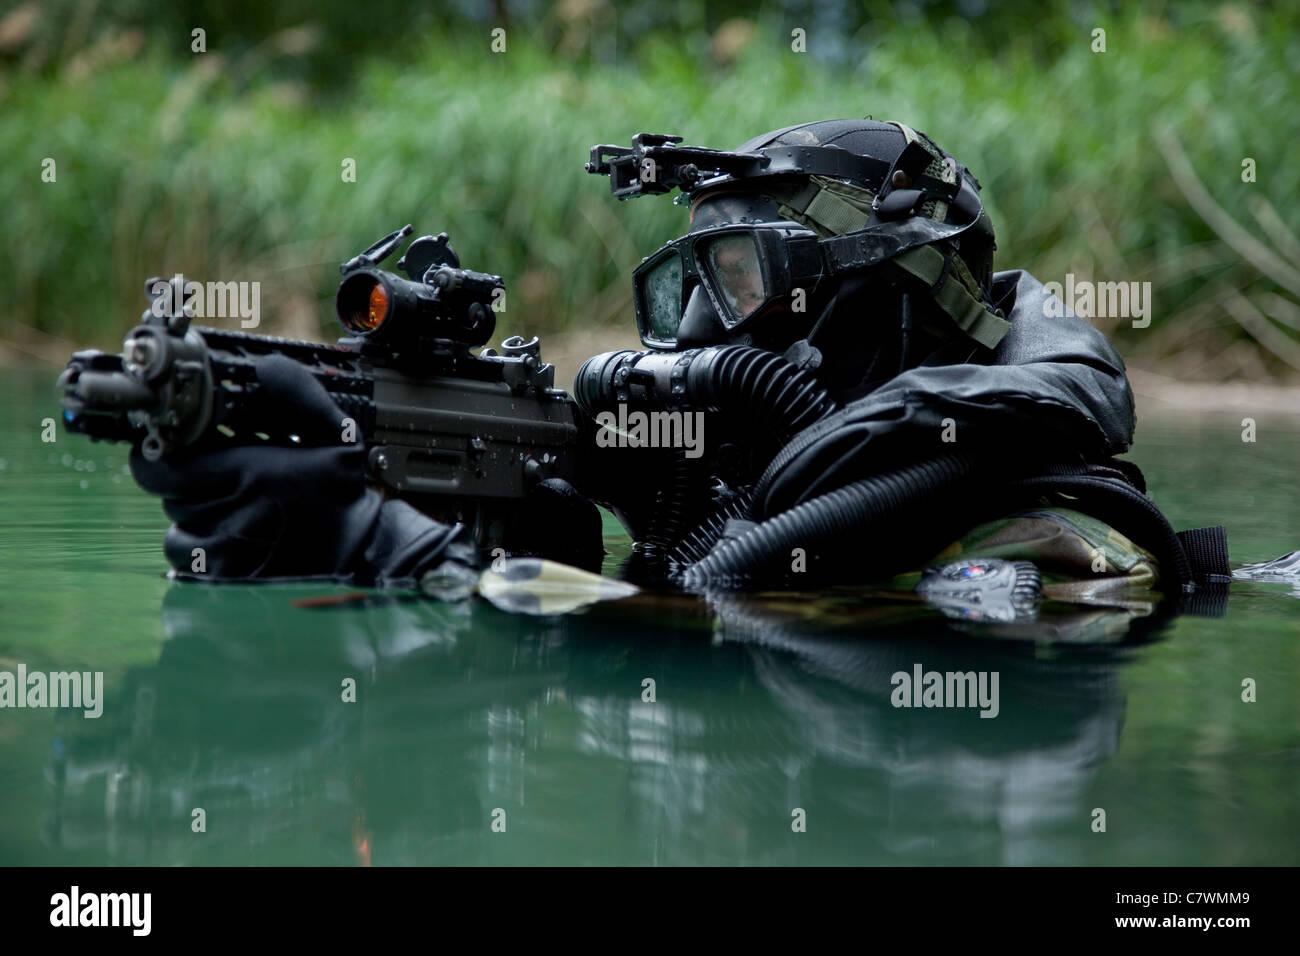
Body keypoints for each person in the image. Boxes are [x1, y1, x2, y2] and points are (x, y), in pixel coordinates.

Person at [129, 119, 1229, 613]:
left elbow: (821, 624)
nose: (709, 330)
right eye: (686, 287)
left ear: (889, 287)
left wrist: (421, 565)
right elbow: (729, 585)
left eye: (742, 278)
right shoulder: (790, 495)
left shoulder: (1038, 539)